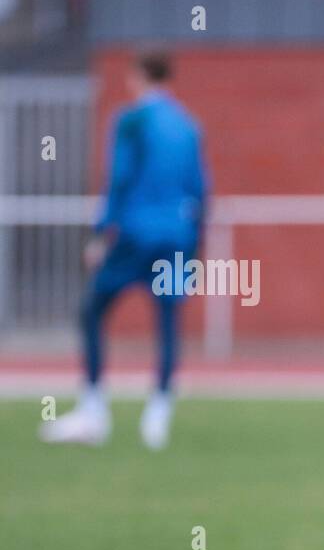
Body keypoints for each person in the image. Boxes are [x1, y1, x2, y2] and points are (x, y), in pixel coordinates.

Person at [40, 50, 207, 450]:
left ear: (139, 76)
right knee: (168, 323)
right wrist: (195, 240)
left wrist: (100, 233)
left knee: (92, 311)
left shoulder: (131, 120)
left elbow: (119, 177)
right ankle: (157, 417)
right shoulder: (188, 126)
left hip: (136, 233)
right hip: (178, 235)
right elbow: (202, 188)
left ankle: (94, 410)